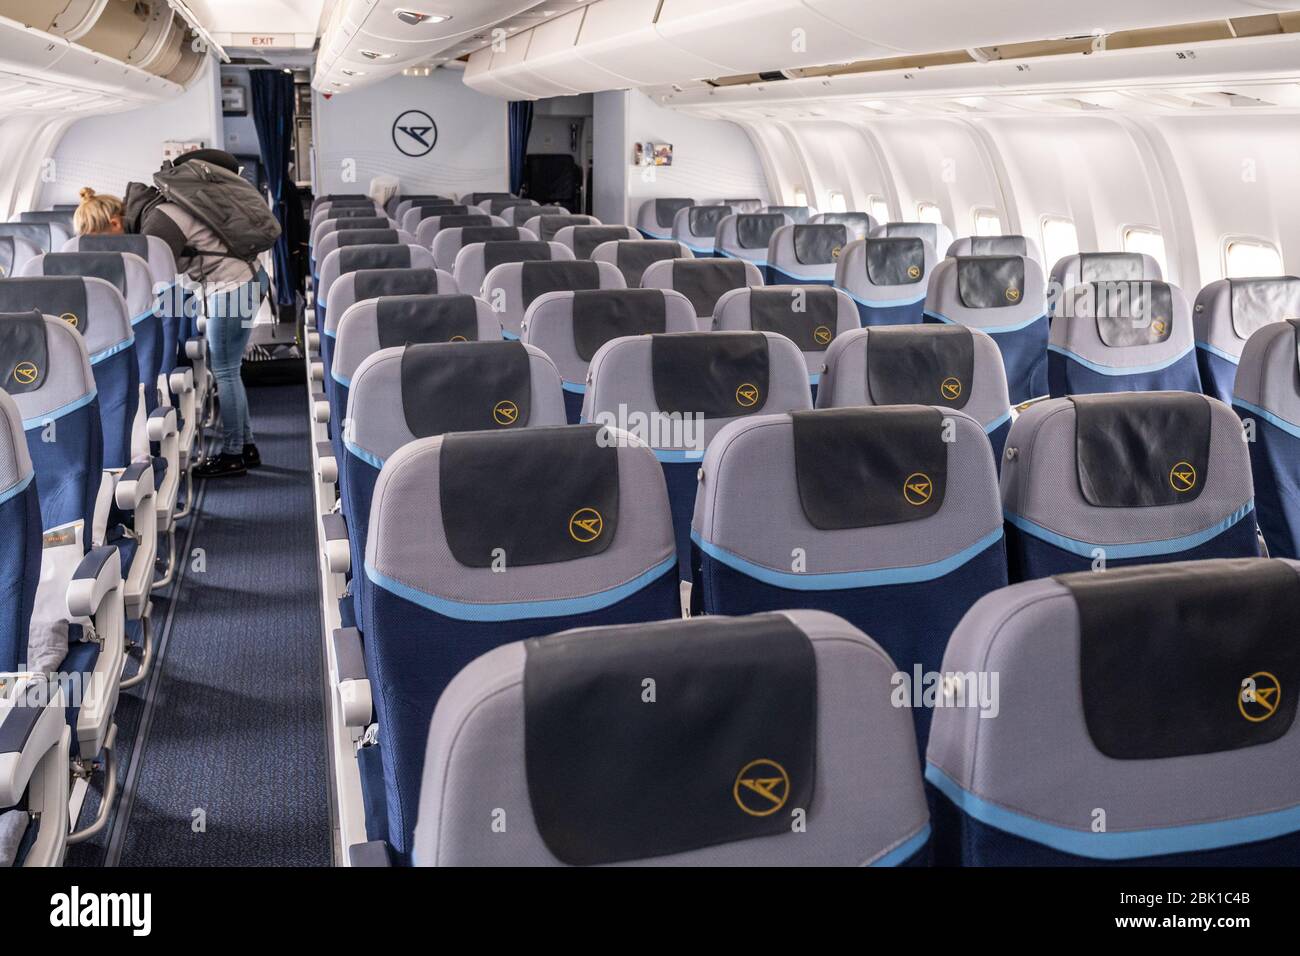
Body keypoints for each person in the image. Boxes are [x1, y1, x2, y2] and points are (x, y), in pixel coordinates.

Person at [129, 149, 266, 479]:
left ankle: (233, 454)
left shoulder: (168, 212)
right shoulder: (204, 202)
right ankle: (246, 445)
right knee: (230, 368)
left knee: (226, 370)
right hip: (253, 278)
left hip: (231, 288)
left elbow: (151, 268)